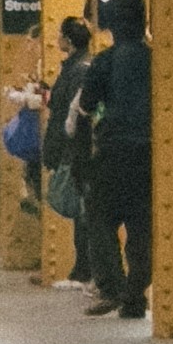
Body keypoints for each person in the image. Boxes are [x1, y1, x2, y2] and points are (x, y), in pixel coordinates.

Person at [84, 0, 153, 318]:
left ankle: (112, 287)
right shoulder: (156, 60)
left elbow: (86, 104)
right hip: (149, 154)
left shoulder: (105, 61)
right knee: (141, 226)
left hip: (113, 152)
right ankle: (136, 295)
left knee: (100, 219)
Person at [48, 14, 96, 281]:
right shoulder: (79, 66)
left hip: (75, 146)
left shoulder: (78, 69)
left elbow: (72, 111)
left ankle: (84, 271)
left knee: (81, 209)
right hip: (75, 145)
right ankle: (82, 269)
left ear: (67, 40)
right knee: (80, 208)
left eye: (59, 35)